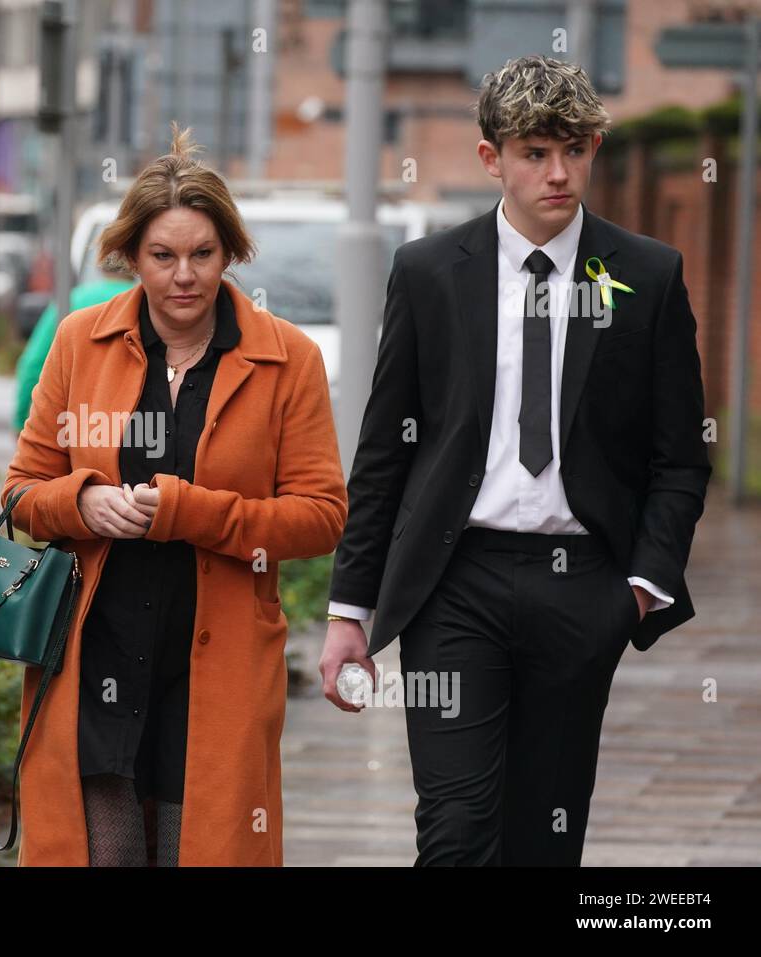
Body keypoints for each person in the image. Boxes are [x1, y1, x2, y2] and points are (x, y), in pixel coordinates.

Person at [319, 55, 711, 866]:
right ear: (491, 157)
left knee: (544, 836)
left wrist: (639, 590)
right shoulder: (429, 273)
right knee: (458, 828)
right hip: (452, 583)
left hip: (585, 588)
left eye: (574, 149)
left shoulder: (646, 275)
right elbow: (386, 452)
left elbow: (680, 457)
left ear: (596, 145)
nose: (558, 172)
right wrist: (348, 612)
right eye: (535, 152)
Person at [2, 126, 348, 866]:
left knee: (201, 847)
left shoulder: (288, 358)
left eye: (203, 255)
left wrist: (194, 512)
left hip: (216, 662)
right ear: (131, 256)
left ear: (231, 255)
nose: (184, 275)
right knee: (106, 852)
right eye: (163, 256)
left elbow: (321, 516)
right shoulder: (78, 341)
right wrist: (84, 502)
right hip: (93, 651)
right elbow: (22, 494)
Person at [13, 264, 135, 433]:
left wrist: (20, 422)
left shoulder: (72, 301)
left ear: (100, 265)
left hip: (76, 428)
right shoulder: (152, 304)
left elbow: (33, 365)